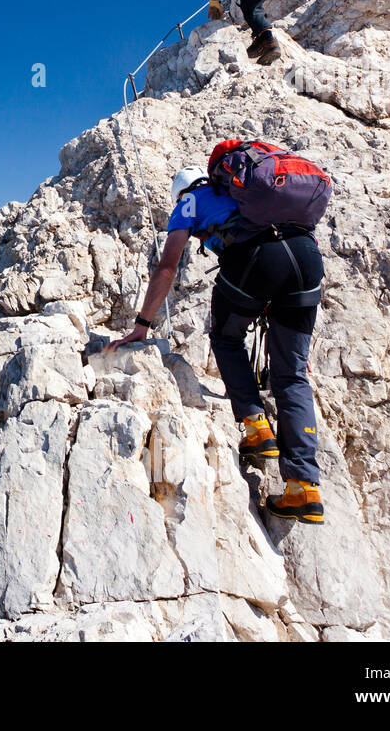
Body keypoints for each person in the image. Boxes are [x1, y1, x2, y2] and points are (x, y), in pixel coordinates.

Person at [106, 160, 326, 524]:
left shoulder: (189, 203)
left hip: (258, 259)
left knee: (225, 337)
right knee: (292, 375)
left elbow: (167, 266)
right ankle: (304, 488)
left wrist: (143, 324)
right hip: (306, 257)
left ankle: (257, 429)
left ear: (181, 192)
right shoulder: (244, 191)